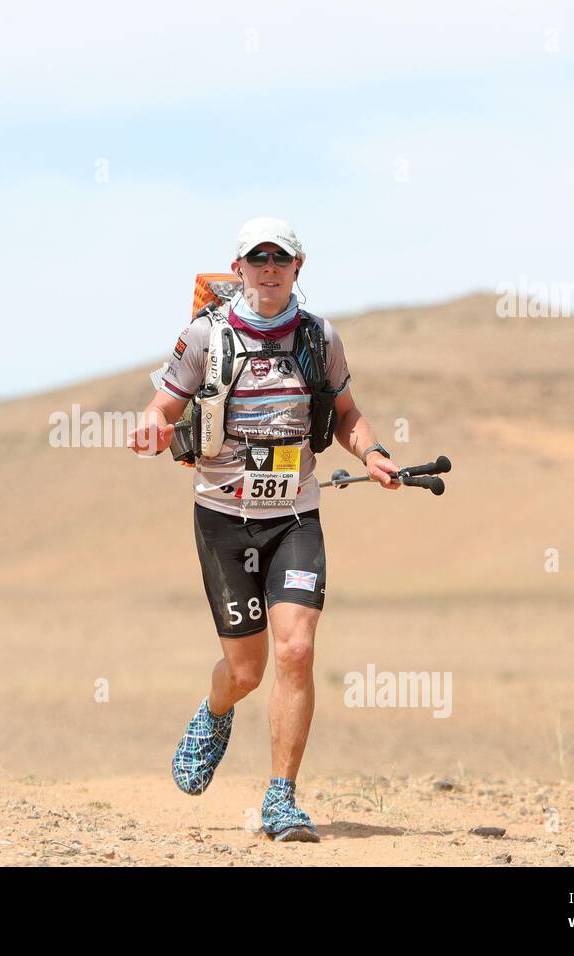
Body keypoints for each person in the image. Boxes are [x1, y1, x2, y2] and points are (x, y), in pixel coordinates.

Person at [126, 217, 402, 842]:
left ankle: (281, 799)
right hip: (223, 519)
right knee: (246, 671)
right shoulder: (205, 336)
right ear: (241, 268)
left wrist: (375, 454)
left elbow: (347, 412)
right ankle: (215, 710)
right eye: (259, 258)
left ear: (298, 268)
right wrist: (150, 425)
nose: (270, 267)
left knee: (297, 651)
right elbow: (165, 403)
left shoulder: (319, 338)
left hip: (295, 516)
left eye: (282, 258)